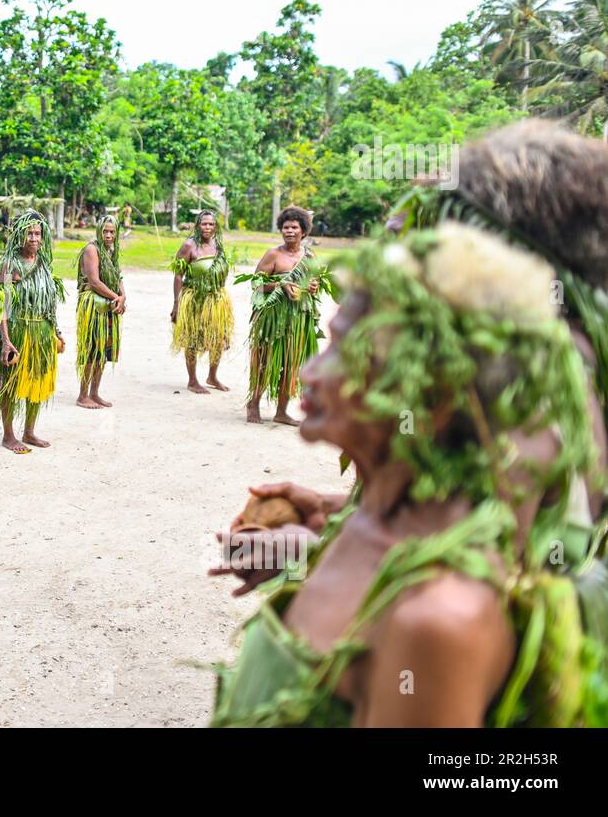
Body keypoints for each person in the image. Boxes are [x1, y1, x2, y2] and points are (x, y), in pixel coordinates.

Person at [211, 224, 607, 727]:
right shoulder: (379, 517)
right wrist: (318, 538)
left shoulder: (438, 620)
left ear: (427, 392)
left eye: (342, 348)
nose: (309, 370)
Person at [245, 206, 328, 426]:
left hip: (299, 320)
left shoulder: (310, 256)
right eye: (285, 227)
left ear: (303, 231)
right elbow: (256, 284)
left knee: (291, 365)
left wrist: (313, 287)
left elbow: (315, 283)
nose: (289, 231)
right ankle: (253, 404)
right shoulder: (274, 254)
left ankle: (281, 412)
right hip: (273, 319)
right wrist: (281, 285)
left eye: (294, 227)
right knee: (265, 362)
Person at [0, 210, 64, 452]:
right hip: (17, 329)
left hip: (42, 331)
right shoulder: (10, 264)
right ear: (19, 236)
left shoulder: (43, 263)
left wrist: (55, 330)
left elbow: (49, 300)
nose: (34, 238)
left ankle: (29, 431)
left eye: (38, 233)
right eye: (29, 233)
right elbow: (0, 304)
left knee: (38, 379)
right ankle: (8, 434)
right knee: (11, 383)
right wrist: (5, 340)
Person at [171, 210, 233, 394]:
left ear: (216, 227)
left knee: (219, 338)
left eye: (211, 224)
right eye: (204, 224)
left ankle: (212, 376)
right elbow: (178, 275)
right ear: (198, 225)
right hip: (194, 299)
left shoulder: (218, 245)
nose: (207, 227)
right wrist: (176, 303)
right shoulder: (189, 246)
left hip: (216, 299)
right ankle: (192, 380)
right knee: (192, 338)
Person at [75, 215, 125, 409]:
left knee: (103, 351)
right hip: (93, 306)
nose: (109, 235)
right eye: (105, 231)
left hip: (108, 305)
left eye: (112, 232)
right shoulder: (91, 249)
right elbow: (94, 281)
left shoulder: (111, 251)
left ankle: (94, 393)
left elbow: (118, 275)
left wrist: (123, 296)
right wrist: (116, 297)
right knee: (92, 350)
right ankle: (82, 395)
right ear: (99, 231)